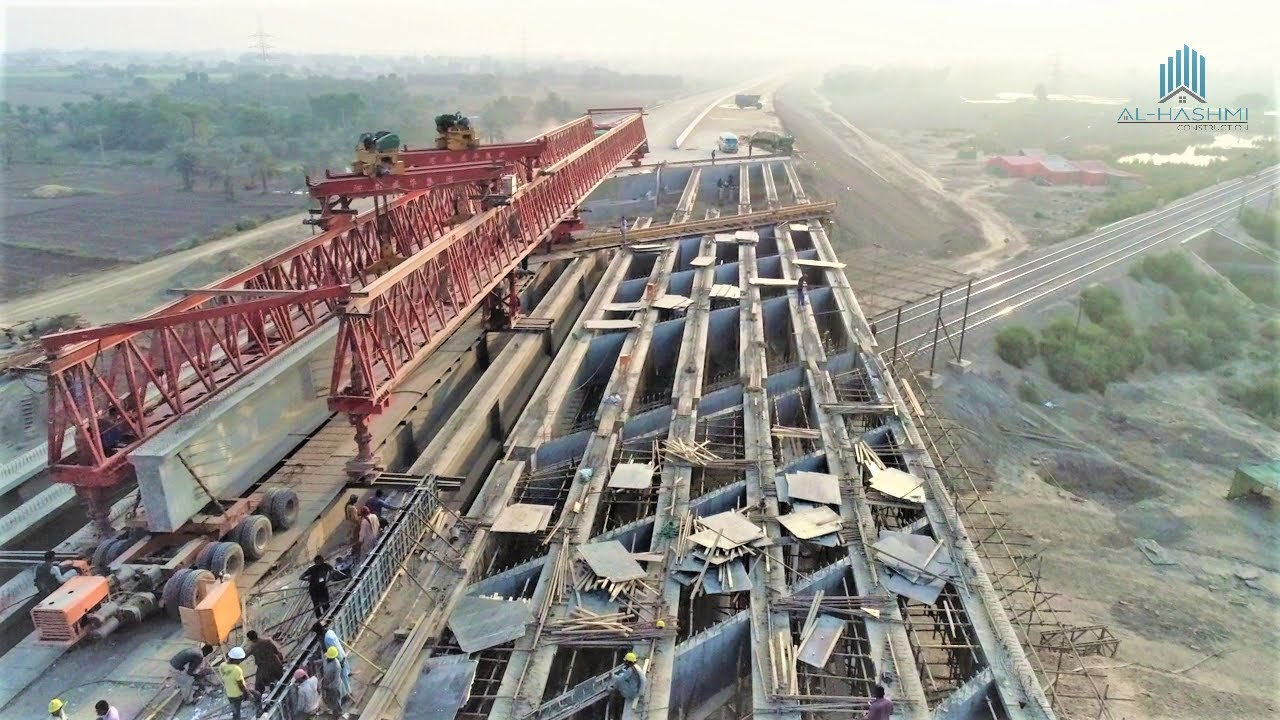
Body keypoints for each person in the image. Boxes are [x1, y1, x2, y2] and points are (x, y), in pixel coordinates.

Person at [219, 646, 258, 720]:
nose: (240, 661)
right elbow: (241, 686)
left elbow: (227, 678)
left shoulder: (222, 665)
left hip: (230, 694)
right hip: (239, 694)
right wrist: (248, 695)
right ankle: (259, 712)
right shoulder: (237, 669)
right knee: (257, 695)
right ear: (236, 659)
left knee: (236, 713)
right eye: (240, 660)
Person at [246, 629, 286, 694]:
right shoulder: (268, 641)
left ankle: (262, 697)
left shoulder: (252, 647)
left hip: (264, 667)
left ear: (250, 639)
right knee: (282, 679)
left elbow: (245, 655)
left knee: (259, 684)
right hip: (275, 663)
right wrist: (281, 660)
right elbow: (277, 651)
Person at [320, 646, 351, 717]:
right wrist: (317, 662)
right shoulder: (325, 656)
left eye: (332, 657)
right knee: (330, 698)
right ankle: (334, 707)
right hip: (327, 682)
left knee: (336, 699)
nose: (330, 658)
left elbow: (336, 680)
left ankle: (338, 712)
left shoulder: (337, 666)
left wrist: (328, 687)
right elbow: (323, 661)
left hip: (334, 686)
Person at [300, 554, 335, 618]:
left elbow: (301, 577)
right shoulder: (325, 566)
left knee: (317, 604)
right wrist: (329, 579)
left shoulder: (312, 568)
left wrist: (308, 579)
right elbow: (332, 571)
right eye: (321, 560)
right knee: (323, 603)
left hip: (315, 588)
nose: (322, 561)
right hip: (319, 588)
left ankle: (322, 616)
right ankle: (326, 616)